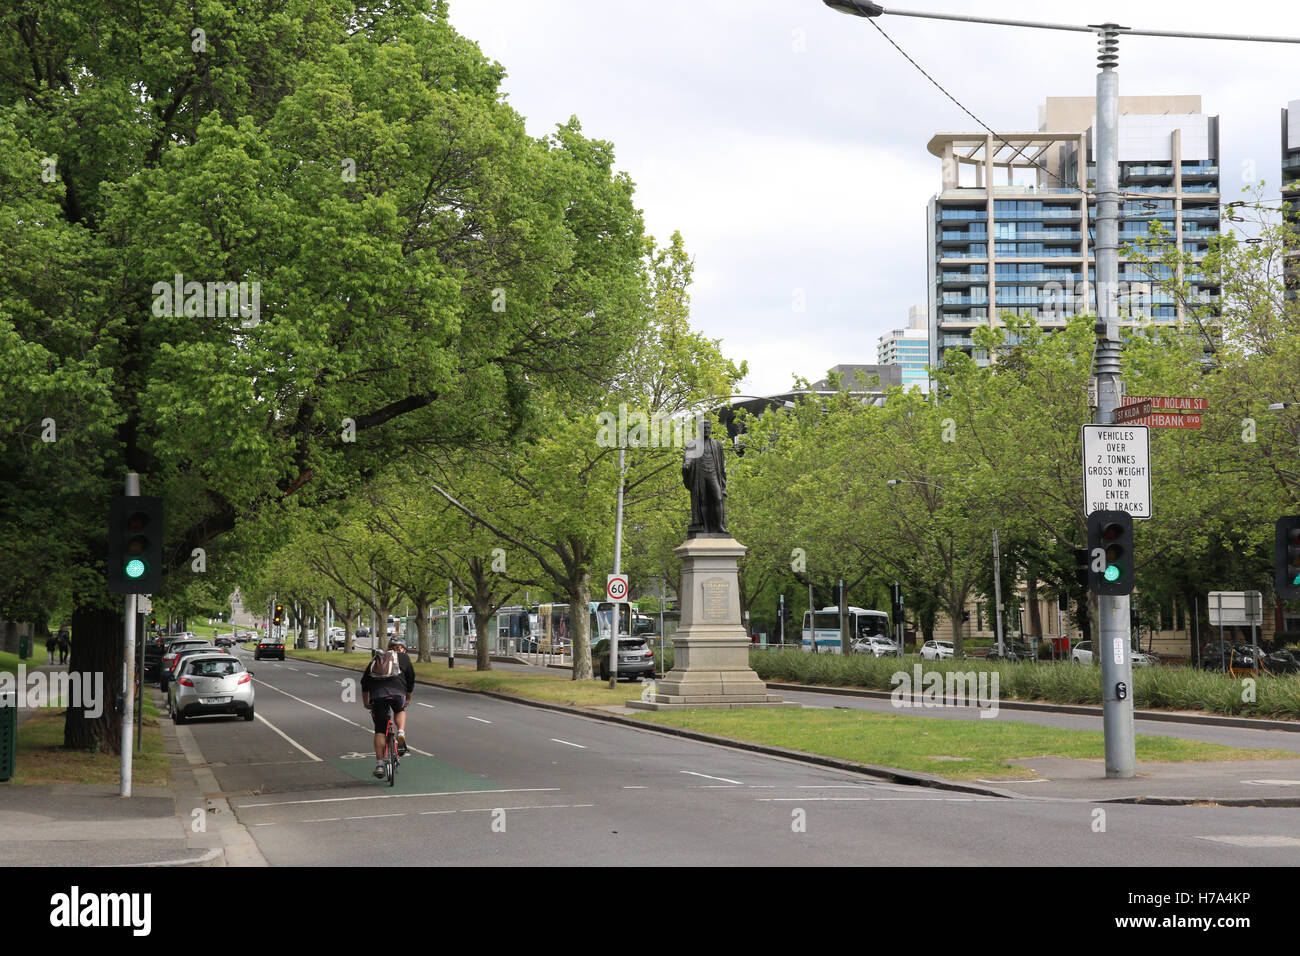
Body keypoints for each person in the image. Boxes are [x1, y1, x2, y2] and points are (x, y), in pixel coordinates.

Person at [361, 636, 415, 778]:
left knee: (379, 730)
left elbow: (365, 682)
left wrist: (366, 702)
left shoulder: (377, 659)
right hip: (398, 693)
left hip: (377, 695)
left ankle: (379, 765)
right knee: (400, 709)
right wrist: (408, 697)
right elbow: (411, 680)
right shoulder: (404, 658)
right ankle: (401, 732)